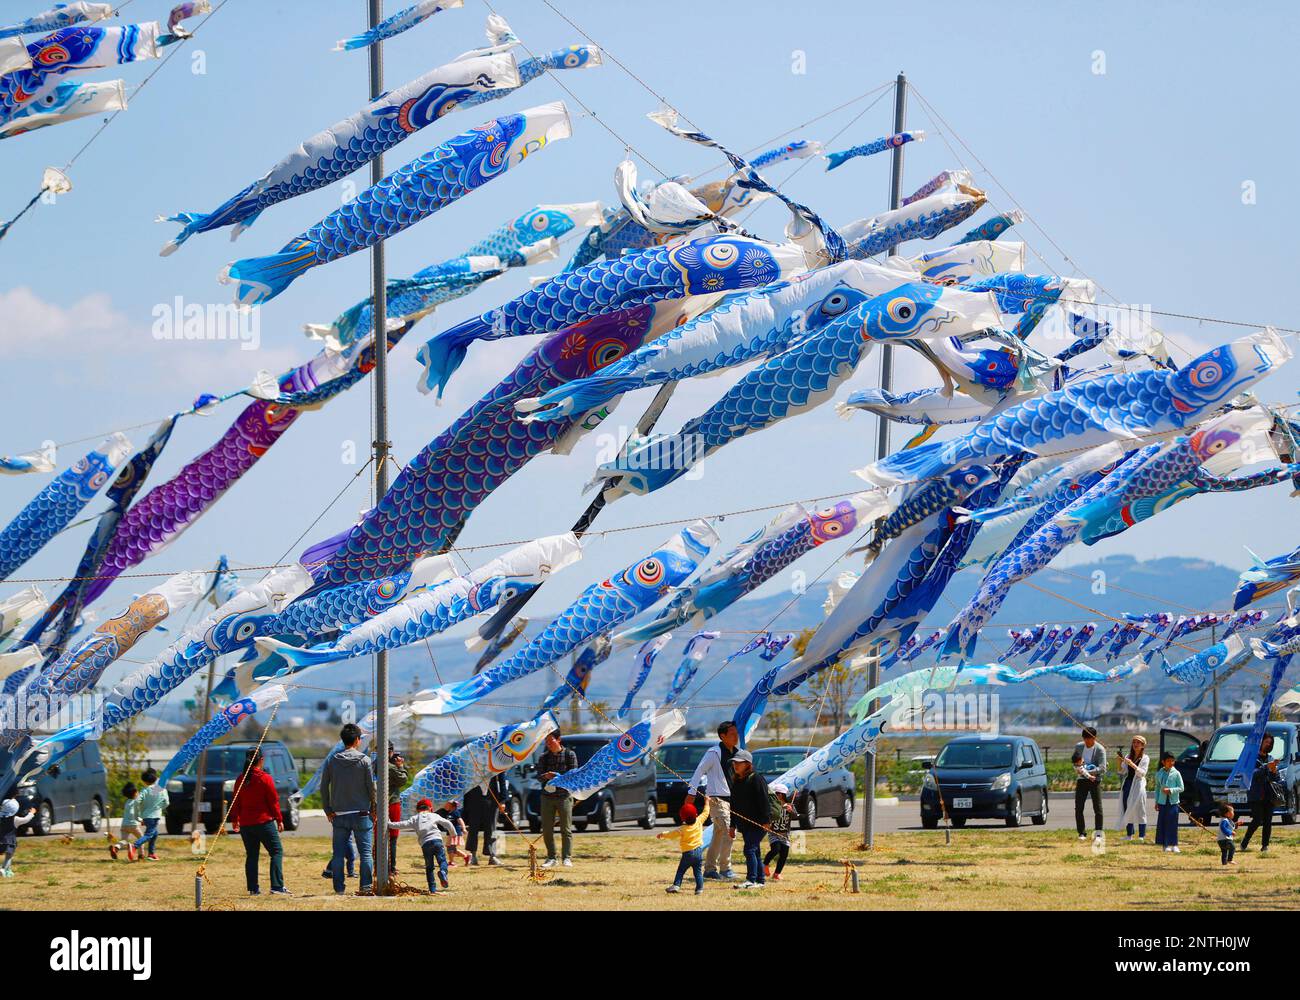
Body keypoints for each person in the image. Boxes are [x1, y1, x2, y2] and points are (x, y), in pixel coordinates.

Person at [320, 722, 377, 894]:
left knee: (338, 854)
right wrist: (374, 808)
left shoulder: (332, 760)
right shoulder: (365, 761)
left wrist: (327, 809)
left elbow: (324, 787)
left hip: (339, 814)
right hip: (361, 814)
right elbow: (371, 788)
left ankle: (339, 888)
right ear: (358, 740)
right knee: (365, 853)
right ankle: (365, 887)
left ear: (343, 740)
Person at [229, 747, 289, 896]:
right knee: (276, 851)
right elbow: (273, 801)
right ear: (261, 760)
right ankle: (277, 886)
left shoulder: (240, 779)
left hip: (246, 825)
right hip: (263, 823)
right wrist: (279, 819)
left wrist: (234, 819)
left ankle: (253, 888)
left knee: (252, 855)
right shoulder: (265, 778)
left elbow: (236, 801)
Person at [686, 719, 740, 880]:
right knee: (729, 832)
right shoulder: (714, 753)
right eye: (732, 734)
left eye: (736, 733)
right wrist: (691, 792)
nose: (736, 736)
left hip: (733, 800)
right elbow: (699, 770)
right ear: (722, 736)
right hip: (717, 799)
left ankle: (709, 869)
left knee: (718, 834)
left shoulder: (737, 753)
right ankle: (725, 868)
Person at [389, 798, 457, 894]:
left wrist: (389, 824)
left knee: (429, 867)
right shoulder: (434, 815)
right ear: (430, 808)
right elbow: (447, 823)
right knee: (442, 860)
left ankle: (432, 889)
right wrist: (453, 834)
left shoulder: (415, 818)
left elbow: (401, 824)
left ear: (417, 809)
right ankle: (443, 872)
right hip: (437, 841)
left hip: (426, 844)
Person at [727, 748, 771, 890]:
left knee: (749, 850)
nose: (736, 765)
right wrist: (732, 825)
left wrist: (766, 821)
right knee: (755, 850)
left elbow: (764, 801)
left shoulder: (756, 778)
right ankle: (760, 881)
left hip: (758, 823)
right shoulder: (736, 781)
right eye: (734, 763)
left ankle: (750, 880)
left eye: (739, 763)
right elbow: (733, 806)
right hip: (744, 825)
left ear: (748, 764)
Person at [536, 729, 578, 869]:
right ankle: (551, 857)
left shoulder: (569, 755)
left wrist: (558, 776)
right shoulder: (543, 757)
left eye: (550, 740)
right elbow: (538, 776)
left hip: (564, 796)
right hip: (547, 797)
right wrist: (545, 776)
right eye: (546, 741)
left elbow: (574, 774)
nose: (548, 744)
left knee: (565, 829)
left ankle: (567, 857)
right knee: (547, 829)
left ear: (558, 739)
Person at [656, 798, 710, 894]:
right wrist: (707, 802)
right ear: (696, 814)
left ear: (682, 818)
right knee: (697, 871)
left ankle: (676, 885)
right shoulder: (699, 821)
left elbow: (671, 835)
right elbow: (706, 813)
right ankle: (699, 889)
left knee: (681, 870)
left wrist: (662, 834)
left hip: (688, 853)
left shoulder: (682, 829)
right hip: (699, 851)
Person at [1240, 734, 1280, 854]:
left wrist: (1273, 771)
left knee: (1268, 820)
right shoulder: (1252, 758)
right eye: (1267, 742)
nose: (1269, 744)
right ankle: (1245, 841)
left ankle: (1265, 846)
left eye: (1270, 743)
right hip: (1256, 794)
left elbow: (1275, 778)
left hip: (1269, 794)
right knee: (1257, 820)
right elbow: (1251, 774)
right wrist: (1266, 767)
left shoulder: (1271, 758)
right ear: (1261, 743)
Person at [462, 772, 507, 866]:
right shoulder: (472, 760)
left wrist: (502, 800)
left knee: (491, 828)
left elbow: (502, 780)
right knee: (473, 827)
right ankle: (472, 855)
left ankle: (492, 855)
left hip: (492, 797)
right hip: (474, 797)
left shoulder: (496, 761)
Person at [1073, 727, 1107, 840]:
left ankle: (1098, 833)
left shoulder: (1100, 749)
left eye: (1090, 739)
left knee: (1097, 808)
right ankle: (1081, 833)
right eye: (1085, 739)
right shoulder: (1078, 747)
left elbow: (1103, 768)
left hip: (1095, 780)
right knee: (1078, 807)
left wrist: (1088, 772)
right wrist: (1081, 771)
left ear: (1094, 738)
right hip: (1081, 780)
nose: (1087, 741)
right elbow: (1075, 762)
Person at [1117, 735, 1150, 841]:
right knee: (1128, 808)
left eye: (1138, 743)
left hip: (1138, 785)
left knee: (1140, 809)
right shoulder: (1128, 755)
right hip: (1128, 784)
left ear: (1143, 745)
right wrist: (1119, 762)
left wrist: (1132, 764)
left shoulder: (1145, 758)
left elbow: (1142, 773)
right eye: (1134, 742)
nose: (1135, 744)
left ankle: (1141, 836)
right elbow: (1121, 771)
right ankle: (1129, 835)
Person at [133, 768, 169, 861]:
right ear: (155, 778)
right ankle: (134, 846)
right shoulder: (160, 788)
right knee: (149, 834)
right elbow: (166, 802)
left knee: (154, 833)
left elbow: (137, 801)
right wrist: (159, 807)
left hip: (146, 816)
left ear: (144, 781)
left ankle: (151, 854)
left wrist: (138, 814)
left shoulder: (144, 790)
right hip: (155, 816)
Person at [764, 782, 795, 881]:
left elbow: (798, 816)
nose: (775, 796)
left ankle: (777, 874)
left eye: (776, 794)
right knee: (775, 849)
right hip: (773, 832)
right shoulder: (772, 806)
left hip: (785, 834)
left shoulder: (790, 806)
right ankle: (764, 864)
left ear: (781, 795)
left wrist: (792, 811)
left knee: (784, 853)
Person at [1154, 750, 1184, 853]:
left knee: (1173, 823)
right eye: (1168, 761)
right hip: (1162, 803)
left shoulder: (1176, 773)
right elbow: (1157, 788)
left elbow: (1181, 788)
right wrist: (1156, 801)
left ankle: (1174, 844)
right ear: (1163, 762)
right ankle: (1165, 844)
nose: (1171, 763)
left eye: (1172, 761)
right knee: (1163, 823)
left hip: (1173, 803)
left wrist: (1171, 790)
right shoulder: (1159, 773)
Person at [0, 787, 34, 877]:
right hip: (9, 842)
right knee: (8, 856)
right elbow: (26, 819)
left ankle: (6, 871)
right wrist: (31, 813)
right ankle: (4, 869)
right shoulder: (15, 819)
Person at [386, 746, 408, 873]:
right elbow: (402, 780)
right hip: (392, 802)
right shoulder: (391, 767)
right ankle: (391, 867)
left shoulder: (373, 764)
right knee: (393, 837)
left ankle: (379, 864)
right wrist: (400, 766)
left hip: (377, 804)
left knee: (378, 837)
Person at [109, 783, 142, 861]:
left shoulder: (127, 802)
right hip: (133, 825)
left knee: (124, 840)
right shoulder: (136, 802)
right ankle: (141, 855)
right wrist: (141, 820)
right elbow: (135, 814)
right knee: (141, 838)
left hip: (124, 825)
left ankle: (116, 848)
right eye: (137, 792)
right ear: (135, 793)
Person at [437, 800, 472, 865]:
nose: (446, 805)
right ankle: (466, 856)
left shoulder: (455, 812)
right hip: (450, 833)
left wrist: (464, 828)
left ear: (452, 806)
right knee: (452, 849)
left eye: (447, 804)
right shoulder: (448, 812)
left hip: (455, 833)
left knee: (450, 848)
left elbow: (460, 820)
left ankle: (451, 862)